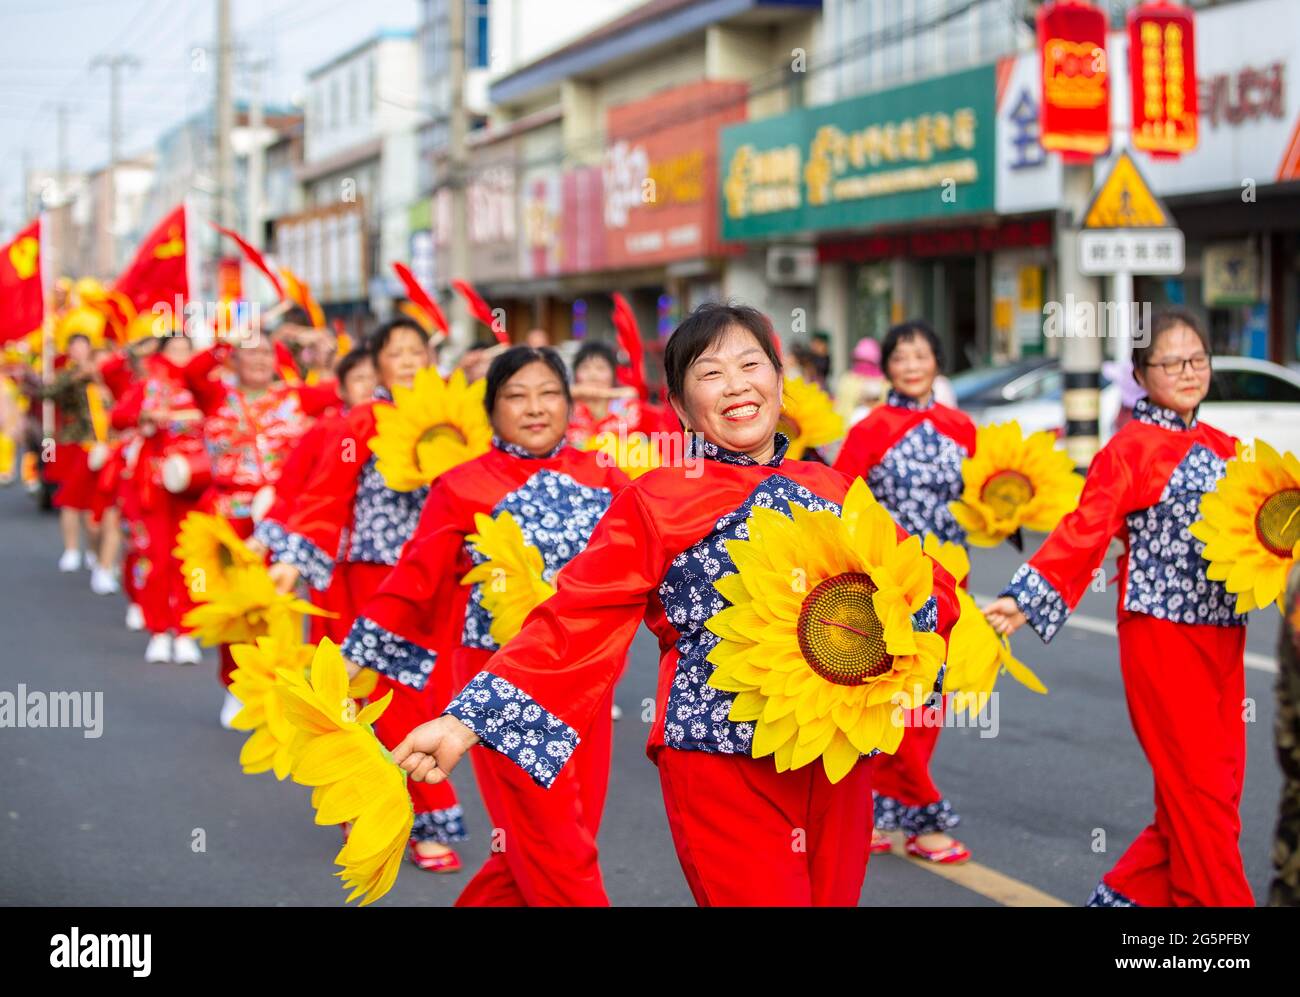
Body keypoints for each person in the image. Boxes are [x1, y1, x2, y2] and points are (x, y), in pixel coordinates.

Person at [392, 302, 959, 906]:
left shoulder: (833, 488)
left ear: (780, 382)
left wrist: (904, 635)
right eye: (711, 373)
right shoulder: (657, 500)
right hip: (721, 762)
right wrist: (466, 720)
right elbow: (576, 618)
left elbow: (923, 588)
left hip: (839, 757)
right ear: (683, 406)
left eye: (751, 364)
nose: (737, 384)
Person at [338, 344, 630, 904]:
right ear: (491, 410)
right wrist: (357, 653)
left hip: (586, 675)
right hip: (500, 680)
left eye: (548, 393)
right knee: (558, 844)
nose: (535, 408)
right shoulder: (462, 484)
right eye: (516, 396)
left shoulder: (604, 476)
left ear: (569, 402)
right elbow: (414, 580)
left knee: (551, 837)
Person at [984, 308, 1253, 907]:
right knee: (1202, 797)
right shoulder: (1130, 449)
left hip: (1225, 636)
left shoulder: (1224, 446)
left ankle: (1126, 899)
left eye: (1198, 360)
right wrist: (1025, 597)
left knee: (1213, 797)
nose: (1189, 372)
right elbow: (1086, 529)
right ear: (1141, 372)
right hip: (1162, 636)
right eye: (1172, 362)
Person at [267, 319, 464, 872]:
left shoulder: (456, 417)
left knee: (428, 696)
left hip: (436, 580)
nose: (406, 360)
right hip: (369, 579)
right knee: (377, 698)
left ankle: (380, 809)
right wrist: (294, 555)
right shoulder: (364, 420)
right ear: (375, 364)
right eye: (394, 352)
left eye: (415, 350)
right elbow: (326, 495)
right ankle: (412, 816)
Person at [833, 319, 976, 864]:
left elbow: (980, 496)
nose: (912, 365)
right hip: (888, 582)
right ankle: (922, 816)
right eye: (901, 357)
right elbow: (841, 496)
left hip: (950, 583)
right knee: (894, 697)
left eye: (922, 355)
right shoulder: (871, 427)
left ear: (937, 362)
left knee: (928, 703)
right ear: (886, 366)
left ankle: (876, 809)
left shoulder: (962, 427)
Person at [183, 331, 340, 726]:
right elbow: (191, 372)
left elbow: (349, 393)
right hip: (230, 515)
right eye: (248, 352)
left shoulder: (296, 395)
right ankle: (235, 685)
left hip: (282, 513)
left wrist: (324, 354)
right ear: (234, 359)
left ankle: (276, 686)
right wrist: (225, 342)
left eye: (265, 351)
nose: (257, 359)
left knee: (281, 603)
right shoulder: (217, 395)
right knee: (236, 607)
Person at [110, 333, 207, 665]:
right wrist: (145, 418)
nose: (181, 355)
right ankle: (158, 629)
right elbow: (118, 417)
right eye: (175, 349)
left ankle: (186, 630)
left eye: (186, 349)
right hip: (154, 485)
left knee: (189, 561)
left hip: (195, 485)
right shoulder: (149, 385)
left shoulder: (206, 386)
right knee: (155, 558)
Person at [565, 340, 642, 446]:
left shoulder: (626, 407)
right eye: (585, 367)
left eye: (600, 368)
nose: (593, 375)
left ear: (614, 374)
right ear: (575, 373)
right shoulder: (566, 408)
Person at [834, 337, 886, 429]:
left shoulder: (884, 382)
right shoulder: (848, 379)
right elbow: (842, 408)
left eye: (867, 361)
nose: (864, 365)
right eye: (861, 360)